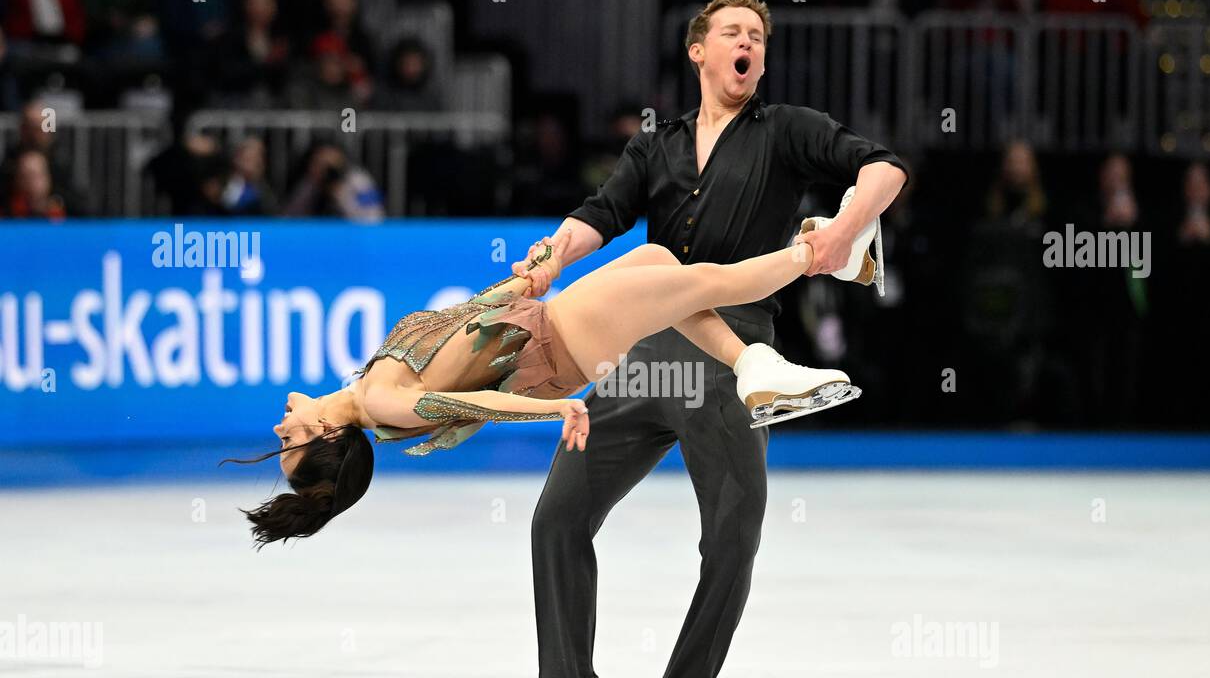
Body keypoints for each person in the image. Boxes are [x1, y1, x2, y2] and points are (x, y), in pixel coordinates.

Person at [486, 0, 907, 678]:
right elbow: (601, 214)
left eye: (758, 35)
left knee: (734, 533)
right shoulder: (659, 144)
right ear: (698, 52)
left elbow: (885, 166)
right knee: (557, 517)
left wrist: (847, 227)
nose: (748, 44)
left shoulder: (786, 130)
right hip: (647, 352)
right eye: (733, 33)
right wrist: (551, 258)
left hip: (734, 353)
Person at [226, 218, 880, 552]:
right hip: (567, 336)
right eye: (290, 444)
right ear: (326, 433)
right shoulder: (377, 403)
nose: (281, 428)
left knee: (661, 265)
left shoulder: (370, 390)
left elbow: (462, 327)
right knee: (703, 283)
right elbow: (471, 399)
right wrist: (556, 411)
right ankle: (826, 253)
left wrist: (520, 282)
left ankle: (750, 368)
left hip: (552, 323)